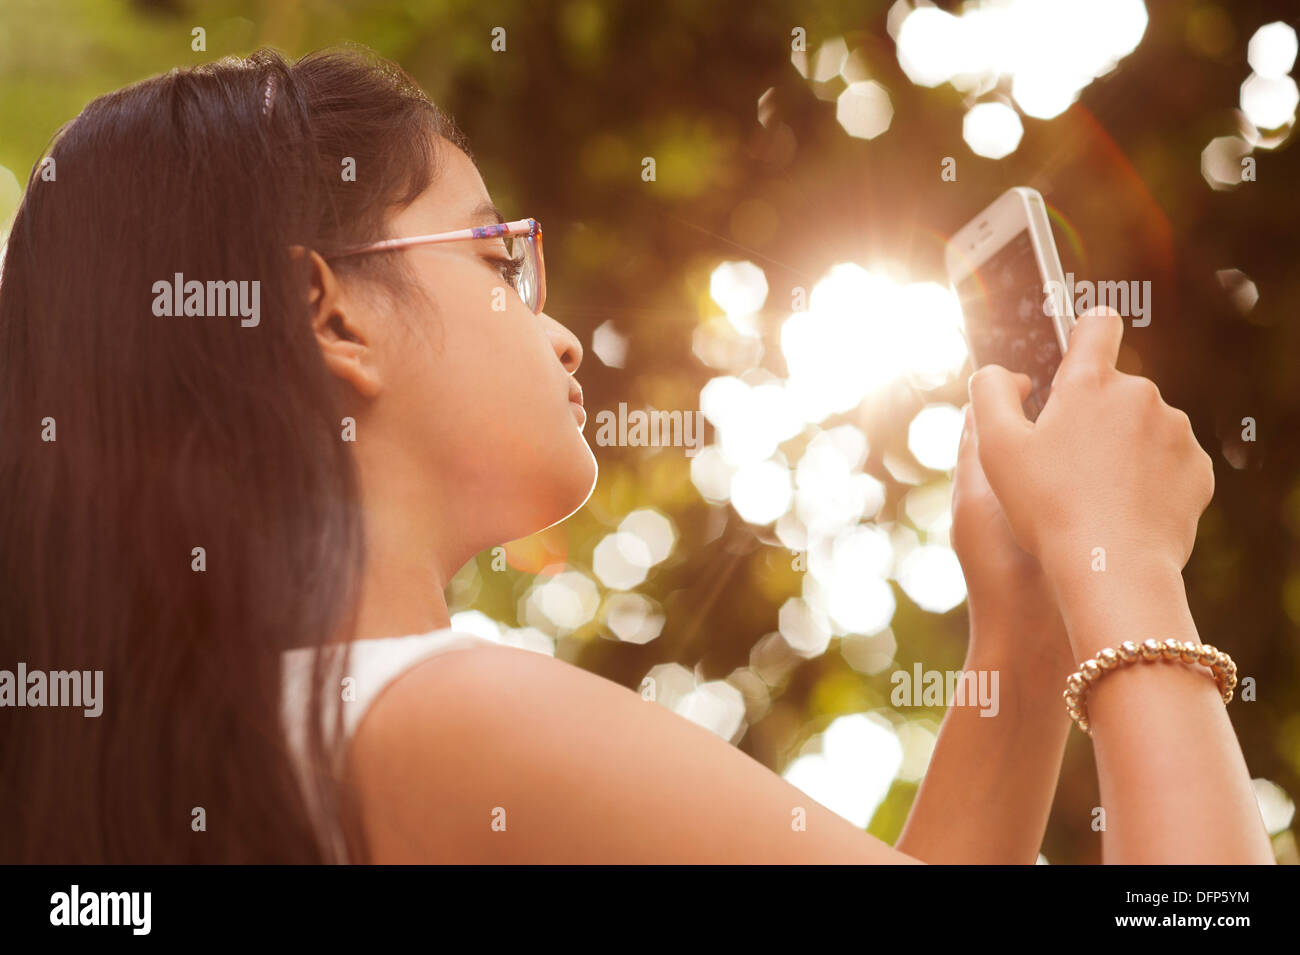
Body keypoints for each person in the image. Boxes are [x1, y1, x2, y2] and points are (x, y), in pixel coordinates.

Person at [0, 47, 1273, 864]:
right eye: (496, 257)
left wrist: (1026, 623)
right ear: (330, 314)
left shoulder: (248, 753)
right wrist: (1128, 574)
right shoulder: (441, 717)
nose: (557, 331)